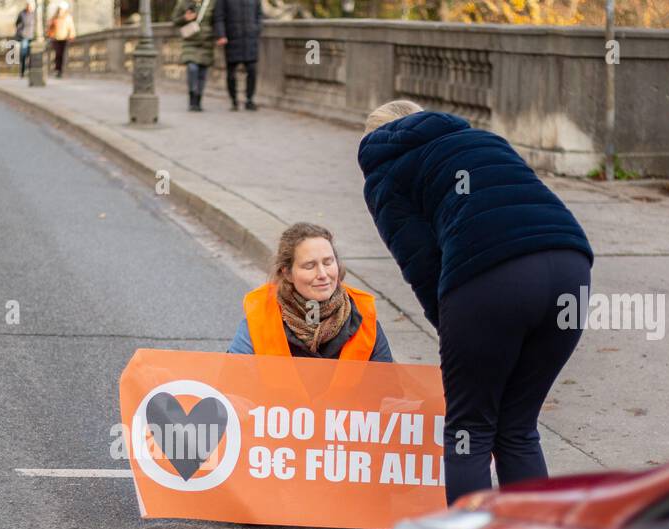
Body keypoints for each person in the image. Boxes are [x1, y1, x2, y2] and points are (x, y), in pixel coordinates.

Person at [358, 100, 594, 505]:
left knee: (470, 430)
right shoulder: (482, 139)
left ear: (375, 136)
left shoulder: (385, 170)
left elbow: (421, 263)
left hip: (491, 275)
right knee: (518, 428)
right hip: (571, 265)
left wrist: (453, 332)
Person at [229, 222, 393, 362]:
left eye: (328, 262)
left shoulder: (363, 315)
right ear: (287, 273)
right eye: (309, 266)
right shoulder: (262, 317)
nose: (322, 274)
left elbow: (388, 389)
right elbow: (232, 384)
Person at [213, 0, 260, 111]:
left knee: (252, 70)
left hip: (250, 39)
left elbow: (259, 14)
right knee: (231, 73)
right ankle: (234, 100)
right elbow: (218, 17)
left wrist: (256, 29)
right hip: (232, 39)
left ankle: (249, 99)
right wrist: (221, 35)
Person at [170, 0, 215, 112]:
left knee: (202, 73)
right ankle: (192, 99)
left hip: (206, 43)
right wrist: (185, 18)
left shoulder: (211, 3)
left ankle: (198, 101)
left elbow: (218, 20)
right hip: (190, 42)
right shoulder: (183, 2)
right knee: (192, 68)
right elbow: (174, 20)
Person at [46, 0, 75, 78]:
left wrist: (71, 35)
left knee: (62, 55)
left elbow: (71, 27)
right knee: (57, 54)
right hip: (56, 38)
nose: (61, 10)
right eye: (60, 9)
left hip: (64, 38)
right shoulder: (55, 17)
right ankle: (57, 70)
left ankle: (60, 70)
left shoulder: (68, 17)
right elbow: (49, 27)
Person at [14, 1, 35, 77]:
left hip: (33, 37)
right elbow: (17, 23)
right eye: (28, 5)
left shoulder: (34, 14)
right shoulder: (22, 13)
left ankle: (30, 70)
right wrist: (20, 30)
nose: (29, 7)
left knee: (32, 55)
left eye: (30, 6)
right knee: (24, 54)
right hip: (24, 36)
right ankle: (22, 71)